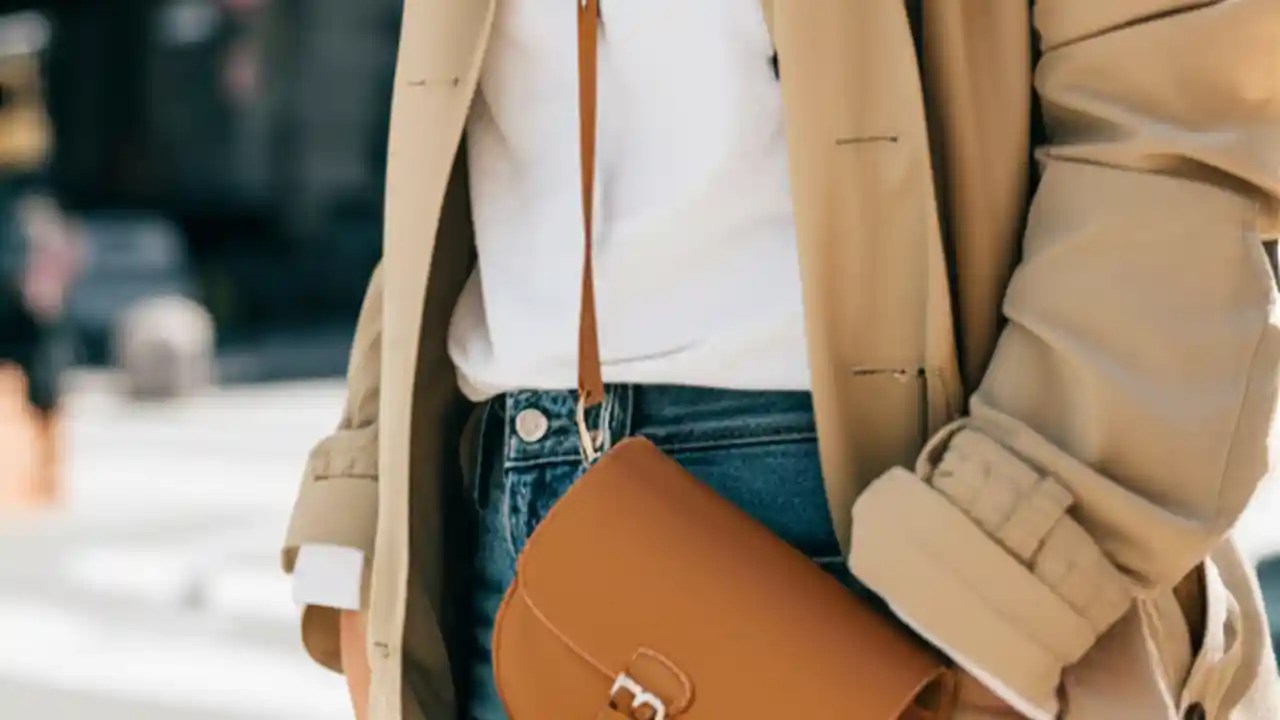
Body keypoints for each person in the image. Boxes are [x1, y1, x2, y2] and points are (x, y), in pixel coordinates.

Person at [283, 2, 1280, 719]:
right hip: (503, 538)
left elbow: (1168, 117)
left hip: (904, 517)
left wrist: (1013, 579)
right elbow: (461, 140)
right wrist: (364, 524)